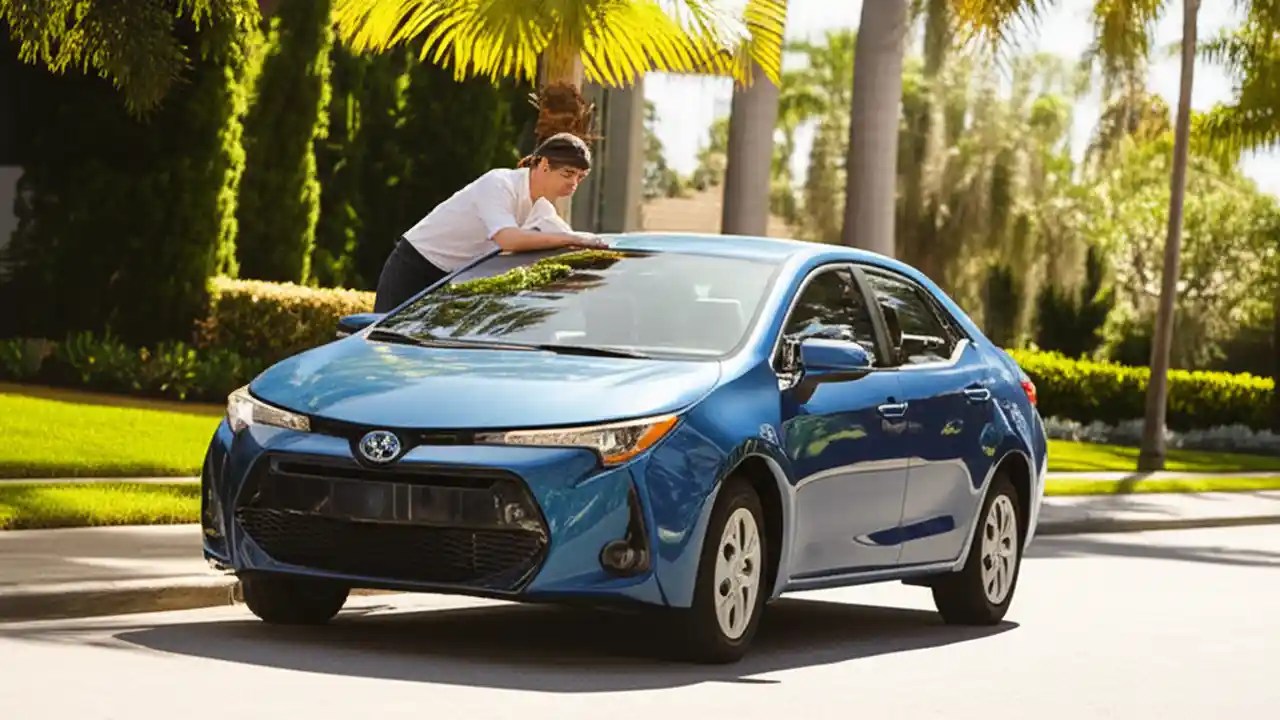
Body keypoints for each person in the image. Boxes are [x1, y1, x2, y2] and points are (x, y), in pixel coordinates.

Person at [372, 132, 607, 312]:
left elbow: (578, 246)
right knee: (386, 355)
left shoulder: (542, 209)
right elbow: (507, 239)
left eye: (580, 177)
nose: (574, 183)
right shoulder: (498, 184)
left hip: (453, 282)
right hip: (413, 269)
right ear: (544, 165)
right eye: (568, 174)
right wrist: (571, 238)